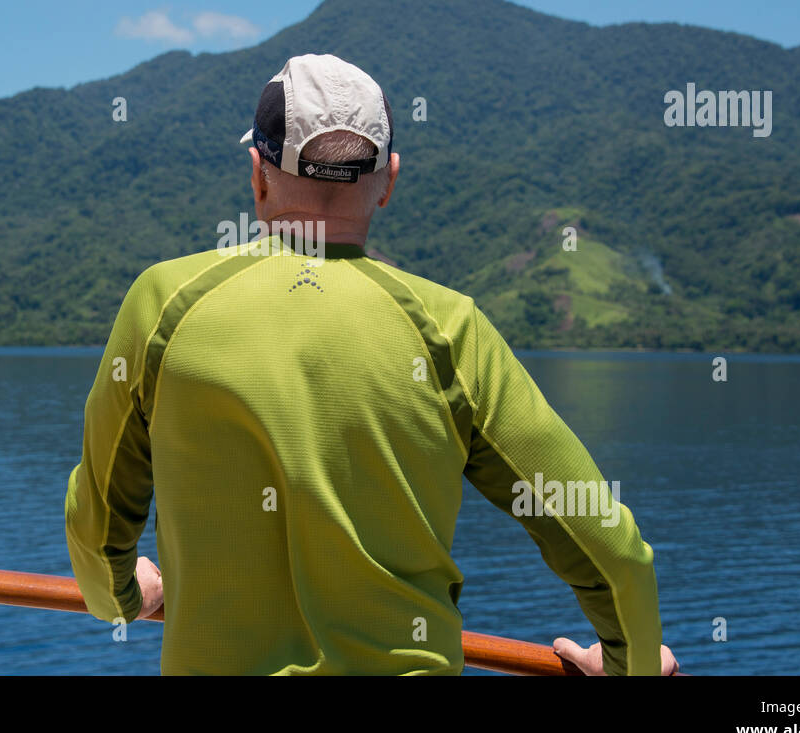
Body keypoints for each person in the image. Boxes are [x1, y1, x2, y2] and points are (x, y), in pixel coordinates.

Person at [65, 53, 676, 675]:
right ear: (389, 181)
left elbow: (98, 520)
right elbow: (606, 544)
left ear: (258, 174)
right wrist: (631, 663)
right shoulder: (447, 327)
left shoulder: (164, 305)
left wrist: (120, 594)